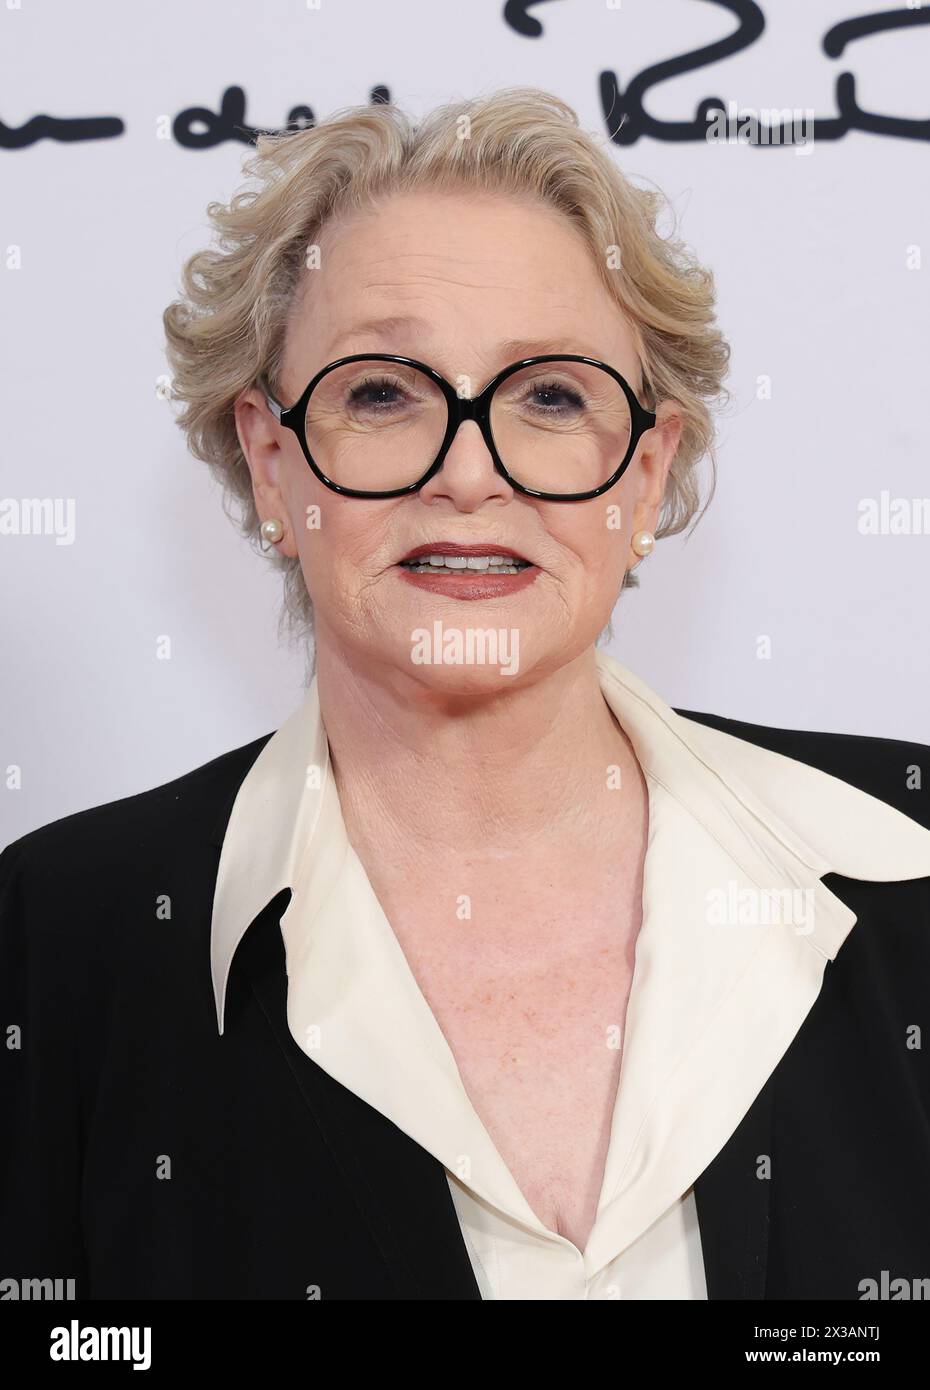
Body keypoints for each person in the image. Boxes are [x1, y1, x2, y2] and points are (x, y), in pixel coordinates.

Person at [2, 87, 929, 1301]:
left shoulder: (910, 856)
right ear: (273, 465)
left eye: (551, 396)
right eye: (383, 393)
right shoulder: (57, 942)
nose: (470, 471)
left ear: (644, 479)